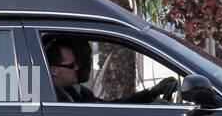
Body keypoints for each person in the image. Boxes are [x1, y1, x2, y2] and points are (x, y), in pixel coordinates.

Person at [45, 38, 177, 104]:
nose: (82, 65)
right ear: (55, 69)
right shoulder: (50, 100)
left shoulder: (74, 91)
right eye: (75, 61)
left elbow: (112, 108)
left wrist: (151, 92)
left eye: (89, 56)